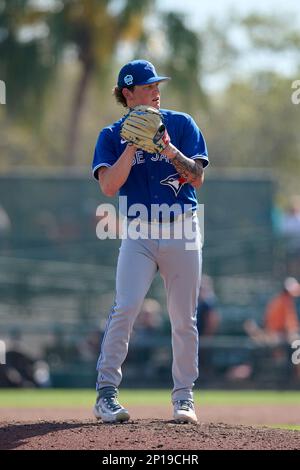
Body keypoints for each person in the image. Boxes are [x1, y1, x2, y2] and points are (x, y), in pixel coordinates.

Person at [91, 59, 209, 424]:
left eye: (157, 85)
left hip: (183, 228)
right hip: (138, 231)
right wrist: (132, 143)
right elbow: (109, 187)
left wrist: (168, 148)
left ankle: (183, 399)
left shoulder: (181, 123)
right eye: (147, 86)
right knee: (125, 307)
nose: (156, 92)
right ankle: (106, 395)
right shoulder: (111, 135)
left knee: (183, 318)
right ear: (127, 93)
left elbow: (197, 179)